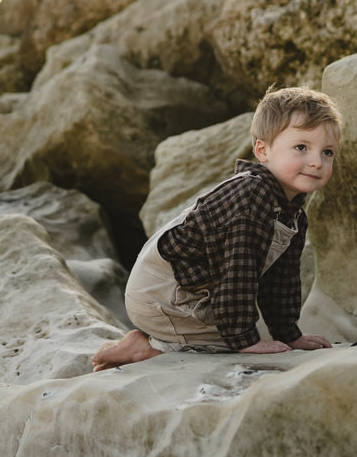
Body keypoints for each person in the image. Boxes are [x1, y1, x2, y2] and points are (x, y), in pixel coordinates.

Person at [91, 86, 342, 371]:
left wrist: (289, 335)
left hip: (189, 292)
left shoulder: (292, 212)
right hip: (163, 293)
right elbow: (238, 269)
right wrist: (244, 340)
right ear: (263, 150)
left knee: (251, 334)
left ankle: (162, 339)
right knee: (233, 343)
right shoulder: (252, 195)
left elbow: (281, 282)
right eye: (301, 147)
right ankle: (148, 348)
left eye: (327, 152)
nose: (316, 162)